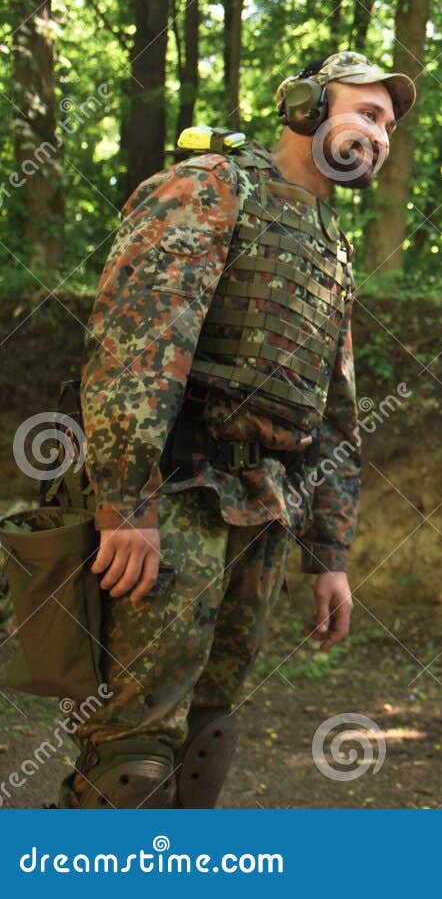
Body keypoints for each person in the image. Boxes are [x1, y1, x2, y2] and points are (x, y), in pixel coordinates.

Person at [60, 51, 415, 808]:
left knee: (207, 735)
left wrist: (329, 554)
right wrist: (127, 500)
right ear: (305, 105)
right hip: (179, 492)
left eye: (389, 125)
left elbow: (336, 414)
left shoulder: (329, 243)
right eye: (367, 112)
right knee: (134, 744)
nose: (381, 135)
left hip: (263, 509)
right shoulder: (212, 186)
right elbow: (137, 342)